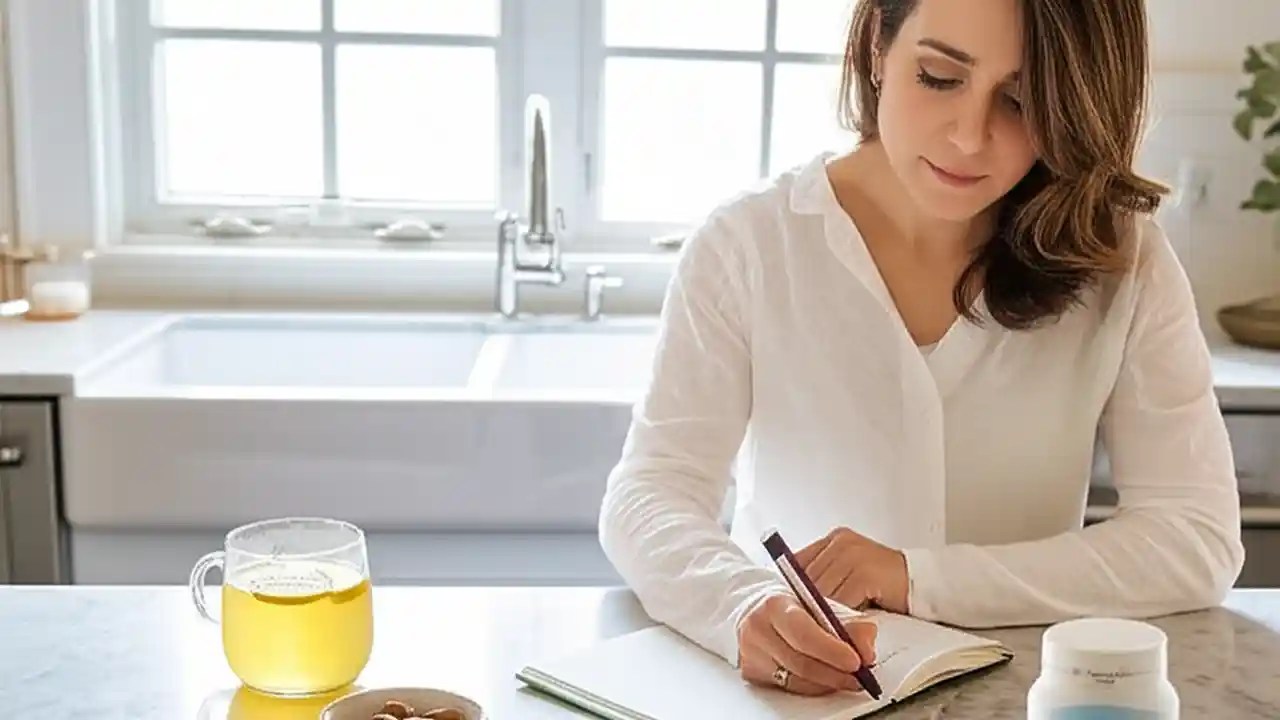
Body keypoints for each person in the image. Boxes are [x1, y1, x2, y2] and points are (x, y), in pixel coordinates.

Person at [597, 0, 1246, 699]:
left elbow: (1196, 538)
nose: (970, 137)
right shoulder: (749, 244)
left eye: (1023, 101)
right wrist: (740, 606)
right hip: (804, 701)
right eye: (939, 76)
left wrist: (918, 578)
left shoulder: (1122, 257)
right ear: (879, 46)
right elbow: (651, 494)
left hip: (1028, 699)